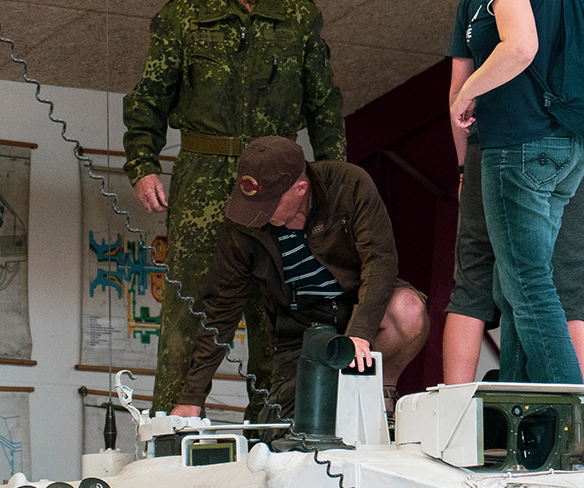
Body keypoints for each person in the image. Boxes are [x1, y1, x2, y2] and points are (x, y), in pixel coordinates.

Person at [122, 0, 346, 415]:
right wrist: (142, 163)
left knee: (277, 314)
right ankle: (170, 437)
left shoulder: (297, 16)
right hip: (203, 180)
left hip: (280, 187)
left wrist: (333, 179)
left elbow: (324, 104)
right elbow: (148, 99)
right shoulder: (182, 16)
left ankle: (277, 436)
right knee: (189, 312)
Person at [443, 0, 584, 389]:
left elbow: (519, 47)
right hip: (570, 149)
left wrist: (467, 93)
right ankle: (527, 411)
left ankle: (574, 417)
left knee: (524, 284)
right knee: (523, 284)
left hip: (515, 145)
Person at [177, 137, 429, 422]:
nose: (257, 215)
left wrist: (359, 333)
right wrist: (192, 397)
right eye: (251, 203)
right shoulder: (243, 222)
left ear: (300, 188)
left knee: (407, 309)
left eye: (268, 203)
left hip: (357, 313)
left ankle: (381, 389)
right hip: (300, 334)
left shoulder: (351, 185)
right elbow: (222, 307)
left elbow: (380, 261)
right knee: (289, 434)